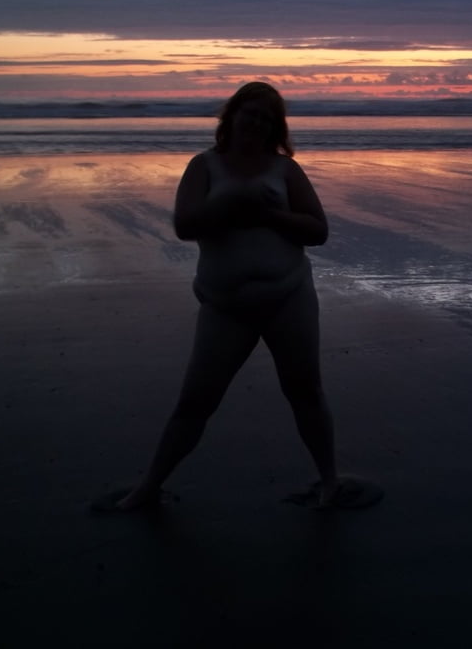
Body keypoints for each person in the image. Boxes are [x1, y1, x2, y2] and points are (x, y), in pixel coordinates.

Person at [94, 82, 341, 511]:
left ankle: (330, 482)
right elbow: (185, 225)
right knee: (196, 401)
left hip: (288, 297)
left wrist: (269, 214)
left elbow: (317, 231)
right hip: (226, 306)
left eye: (268, 118)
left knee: (305, 392)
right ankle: (149, 487)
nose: (257, 123)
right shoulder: (204, 166)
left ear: (276, 127)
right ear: (232, 117)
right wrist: (234, 203)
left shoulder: (286, 171)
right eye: (251, 113)